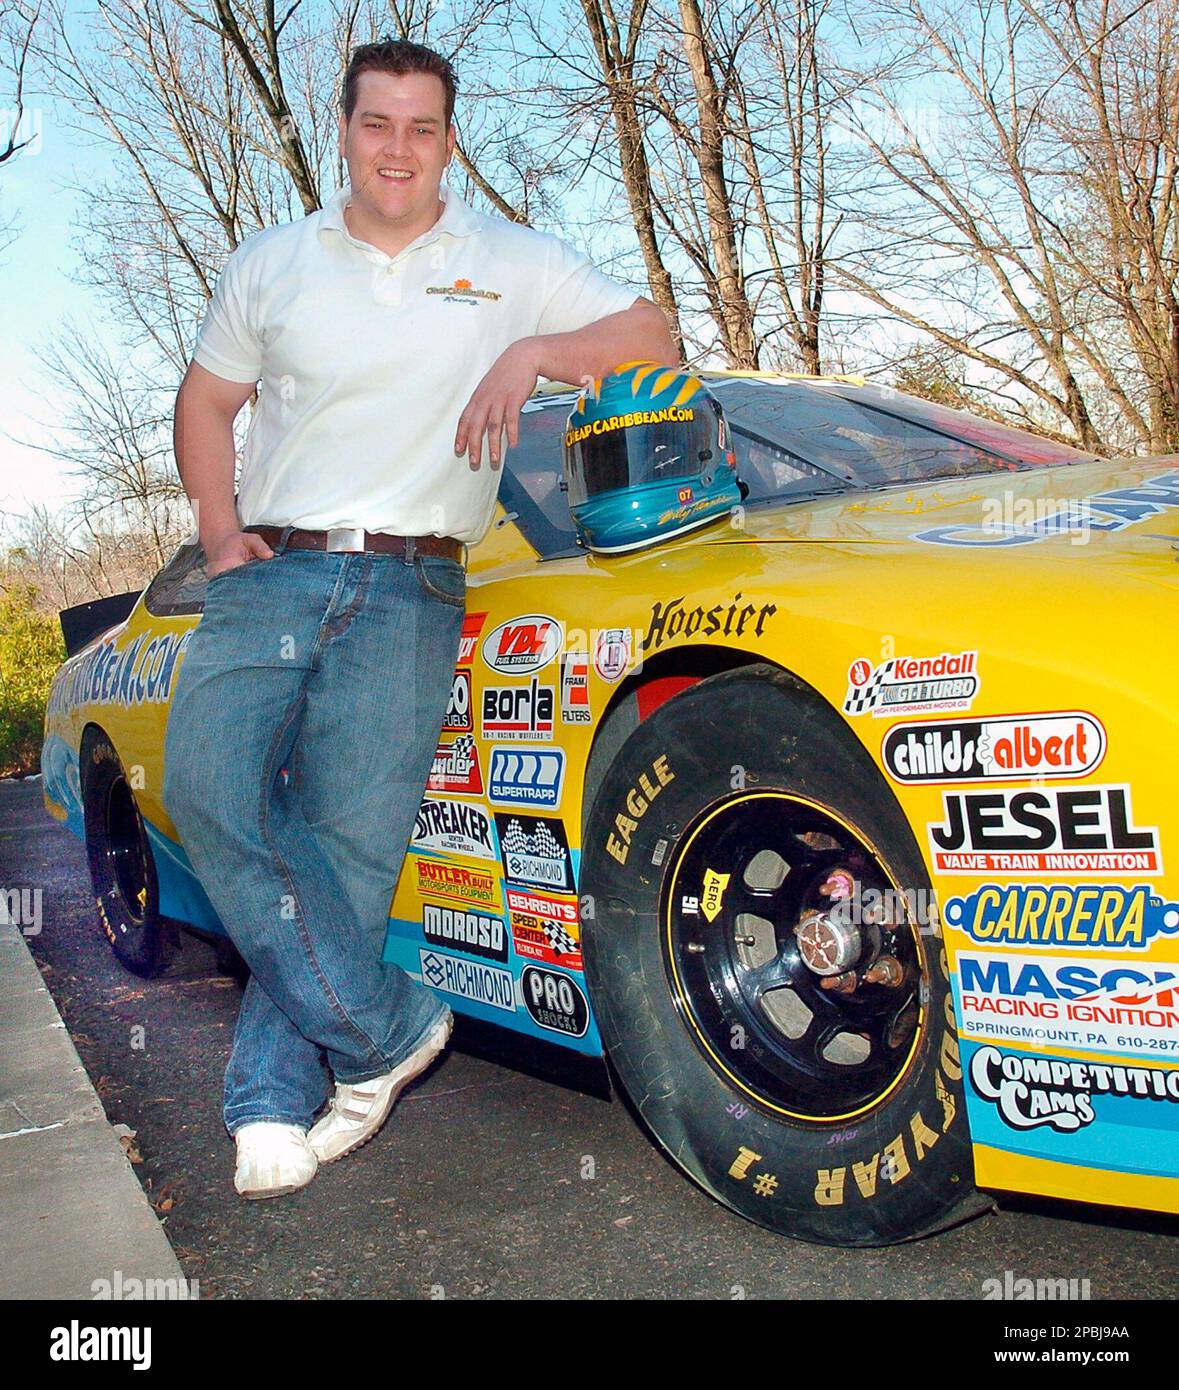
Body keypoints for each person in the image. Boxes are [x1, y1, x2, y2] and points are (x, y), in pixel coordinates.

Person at [163, 36, 677, 1199]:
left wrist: (540, 349)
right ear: (342, 127)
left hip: (413, 584)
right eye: (377, 123)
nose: (399, 149)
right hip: (274, 569)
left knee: (344, 852)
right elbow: (205, 399)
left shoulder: (508, 258)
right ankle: (389, 1027)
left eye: (424, 128)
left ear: (451, 139)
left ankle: (266, 1099)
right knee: (208, 789)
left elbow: (653, 337)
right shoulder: (273, 262)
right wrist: (215, 524)